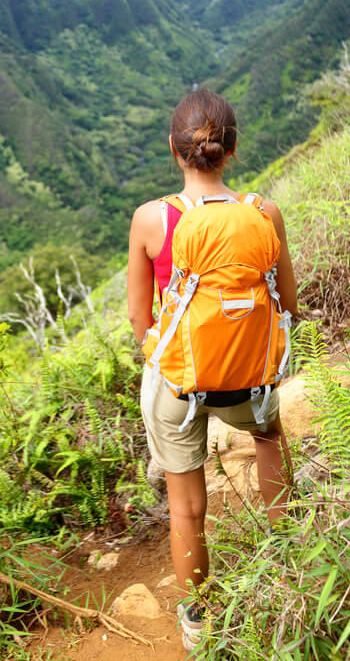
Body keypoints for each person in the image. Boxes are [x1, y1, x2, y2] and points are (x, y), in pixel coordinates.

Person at [127, 88, 297, 652]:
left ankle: (199, 623)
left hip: (179, 382)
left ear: (174, 150)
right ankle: (288, 574)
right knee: (269, 440)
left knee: (186, 507)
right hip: (250, 375)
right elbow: (287, 305)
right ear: (232, 149)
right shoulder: (263, 213)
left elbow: (139, 320)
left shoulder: (152, 219)